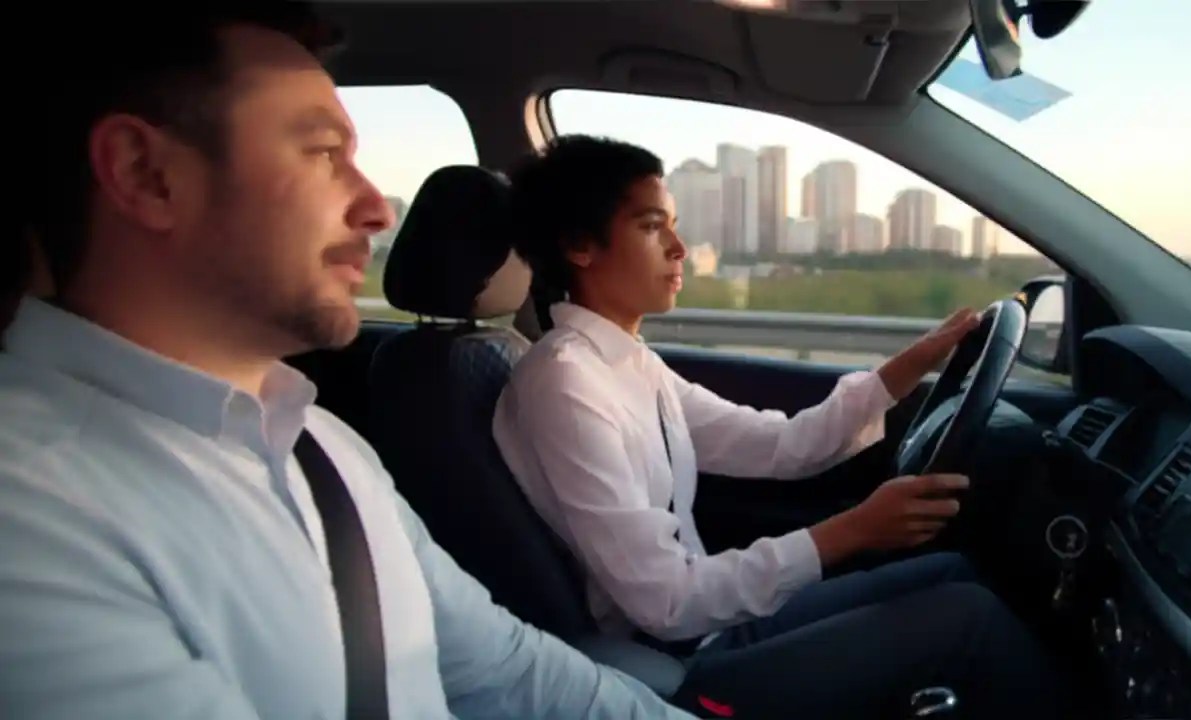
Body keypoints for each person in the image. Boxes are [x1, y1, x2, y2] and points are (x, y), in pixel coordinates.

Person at [0, 7, 696, 719]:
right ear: (146, 175)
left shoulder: (320, 446)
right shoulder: (30, 522)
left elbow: (510, 671)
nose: (375, 209)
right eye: (324, 152)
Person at [493, 134, 1065, 718]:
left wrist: (909, 365)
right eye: (651, 227)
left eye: (674, 225)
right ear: (579, 246)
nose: (680, 248)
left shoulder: (631, 364)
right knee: (969, 619)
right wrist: (853, 530)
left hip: (709, 625)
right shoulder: (566, 383)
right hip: (672, 667)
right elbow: (666, 601)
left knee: (953, 570)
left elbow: (782, 445)